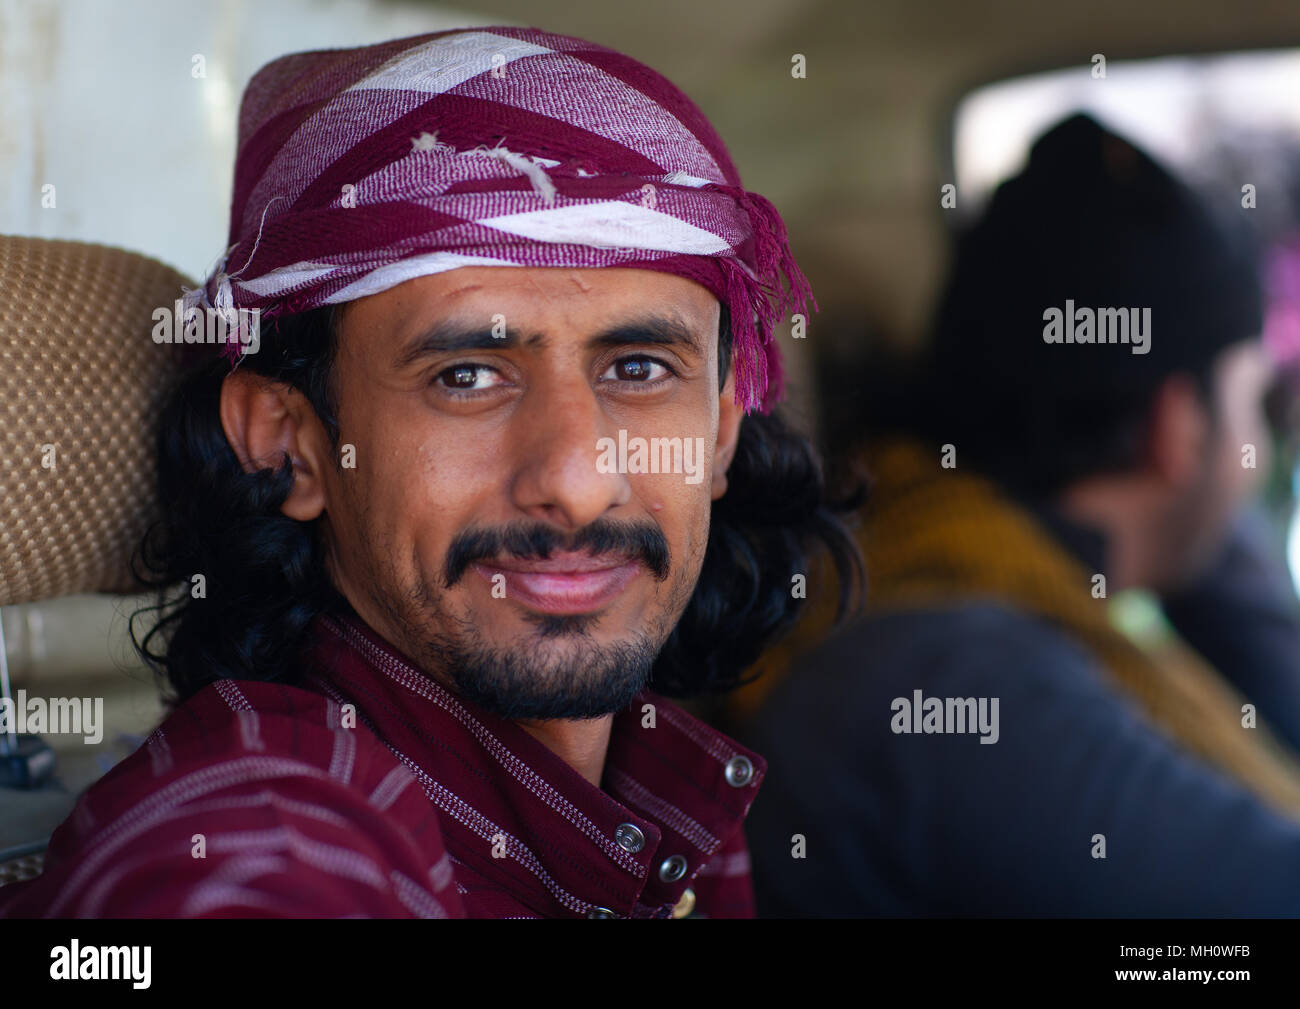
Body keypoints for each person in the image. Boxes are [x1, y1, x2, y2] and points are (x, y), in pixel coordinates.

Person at [0, 26, 860, 919]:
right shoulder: (263, 830)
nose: (578, 480)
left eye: (638, 369)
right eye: (467, 376)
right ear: (289, 442)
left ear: (721, 434)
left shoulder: (675, 811)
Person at [742, 113, 1300, 916]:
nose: (1259, 446)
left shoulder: (931, 560)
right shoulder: (947, 680)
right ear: (1177, 425)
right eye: (1252, 400)